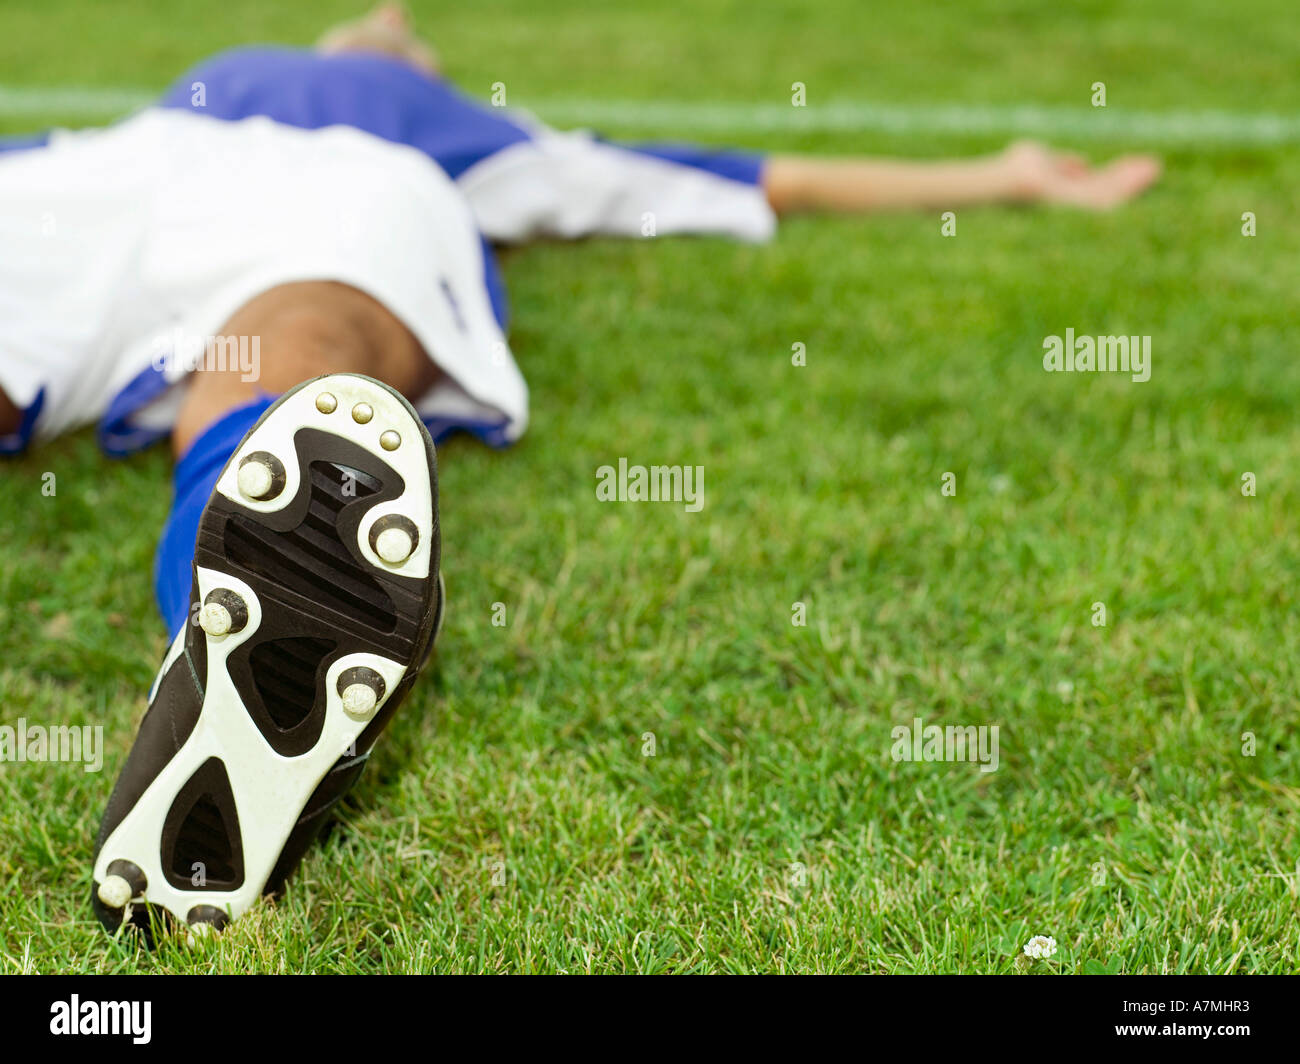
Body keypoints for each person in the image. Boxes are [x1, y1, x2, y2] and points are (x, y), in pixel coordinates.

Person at [0, 4, 1160, 942]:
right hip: (114, 181)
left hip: (342, 197)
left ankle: (225, 683)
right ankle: (233, 655)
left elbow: (771, 177)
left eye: (405, 25)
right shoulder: (193, 94)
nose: (388, 18)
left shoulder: (472, 132)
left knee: (299, 361)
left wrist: (1006, 172)